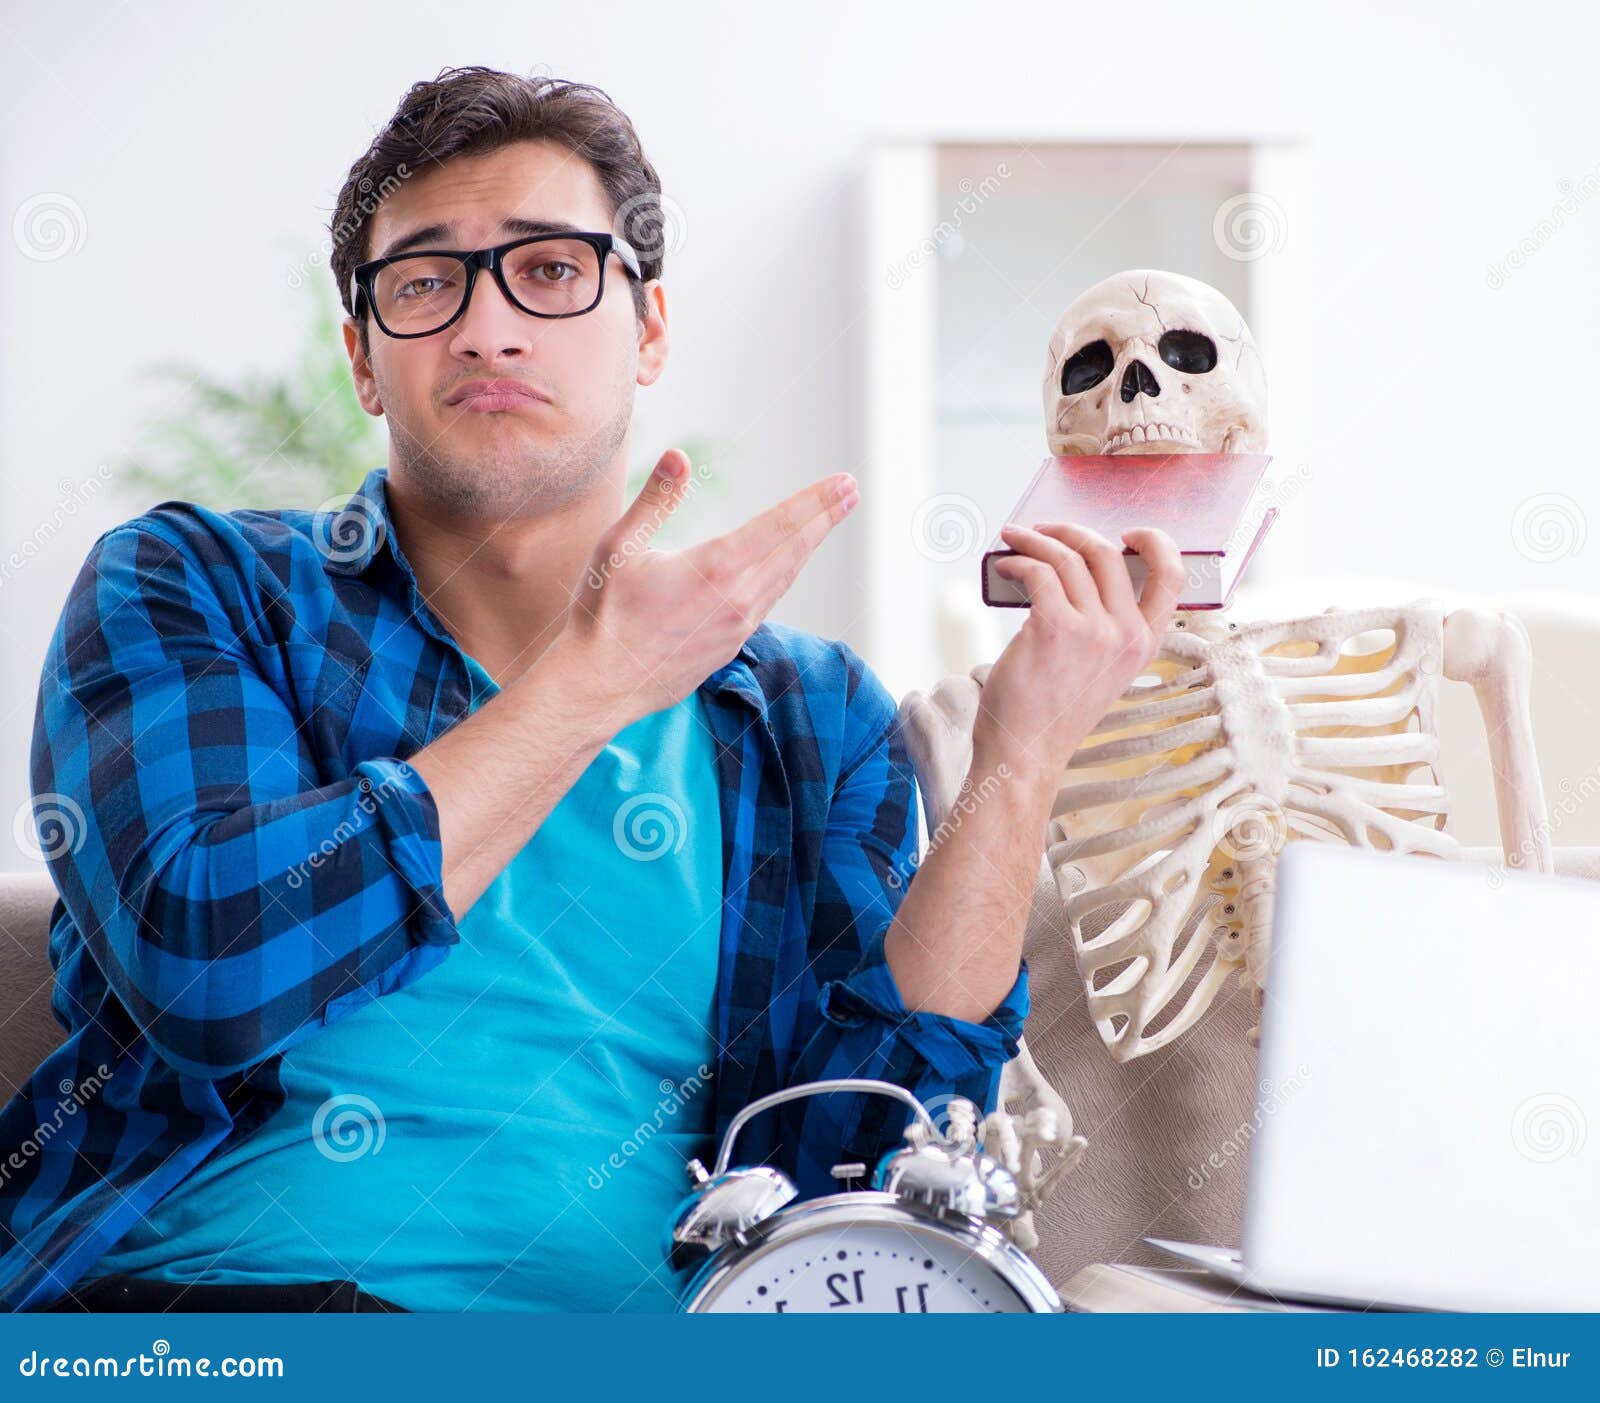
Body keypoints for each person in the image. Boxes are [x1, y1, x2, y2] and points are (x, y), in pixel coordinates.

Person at [0, 66, 1182, 1313]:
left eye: (551, 270)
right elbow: (209, 969)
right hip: (220, 1313)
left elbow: (859, 1143)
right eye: (423, 283)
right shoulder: (202, 587)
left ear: (649, 327)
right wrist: (591, 685)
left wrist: (1023, 754)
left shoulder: (804, 715)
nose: (486, 328)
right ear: (362, 357)